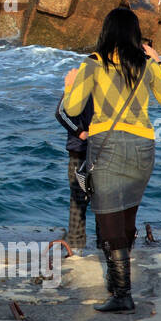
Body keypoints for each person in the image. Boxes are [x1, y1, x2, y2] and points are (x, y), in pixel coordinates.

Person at [61, 6, 161, 313]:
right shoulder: (146, 64)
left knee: (110, 222)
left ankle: (123, 294)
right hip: (143, 146)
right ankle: (117, 284)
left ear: (107, 31)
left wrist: (69, 86)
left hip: (108, 147)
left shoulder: (93, 63)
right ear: (134, 34)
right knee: (126, 219)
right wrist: (159, 61)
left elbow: (72, 110)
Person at [55, 75, 93, 249]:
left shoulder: (78, 86)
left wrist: (79, 133)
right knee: (101, 201)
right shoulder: (104, 87)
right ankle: (104, 244)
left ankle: (77, 247)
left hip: (80, 150)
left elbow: (60, 113)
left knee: (78, 200)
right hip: (97, 149)